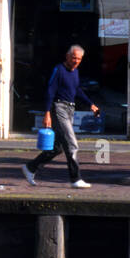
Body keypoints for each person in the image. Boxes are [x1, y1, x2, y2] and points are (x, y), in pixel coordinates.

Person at [22, 45, 98, 188]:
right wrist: (47, 113)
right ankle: (75, 179)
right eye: (74, 58)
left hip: (70, 109)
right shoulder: (59, 70)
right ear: (67, 56)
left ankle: (31, 167)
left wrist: (90, 104)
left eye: (79, 59)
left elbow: (76, 90)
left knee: (58, 148)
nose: (76, 61)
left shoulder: (75, 72)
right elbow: (50, 91)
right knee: (72, 144)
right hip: (59, 108)